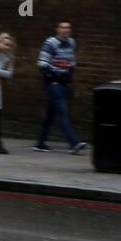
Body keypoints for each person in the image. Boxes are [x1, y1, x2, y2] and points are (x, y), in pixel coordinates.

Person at [34, 21, 86, 154]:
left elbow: (72, 62)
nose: (66, 30)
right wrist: (54, 77)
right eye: (63, 28)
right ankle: (73, 143)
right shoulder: (50, 43)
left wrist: (69, 73)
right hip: (54, 83)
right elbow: (42, 64)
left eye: (68, 28)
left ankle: (40, 143)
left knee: (51, 113)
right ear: (57, 30)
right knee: (63, 111)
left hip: (65, 83)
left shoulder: (72, 43)